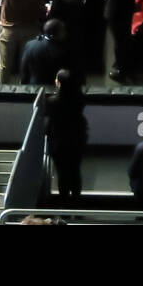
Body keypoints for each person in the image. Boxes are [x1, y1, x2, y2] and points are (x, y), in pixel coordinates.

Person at [46, 69, 88, 202]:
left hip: (59, 143)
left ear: (59, 82)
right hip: (77, 140)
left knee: (62, 173)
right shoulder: (79, 98)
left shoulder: (52, 101)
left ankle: (64, 201)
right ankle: (77, 200)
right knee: (75, 170)